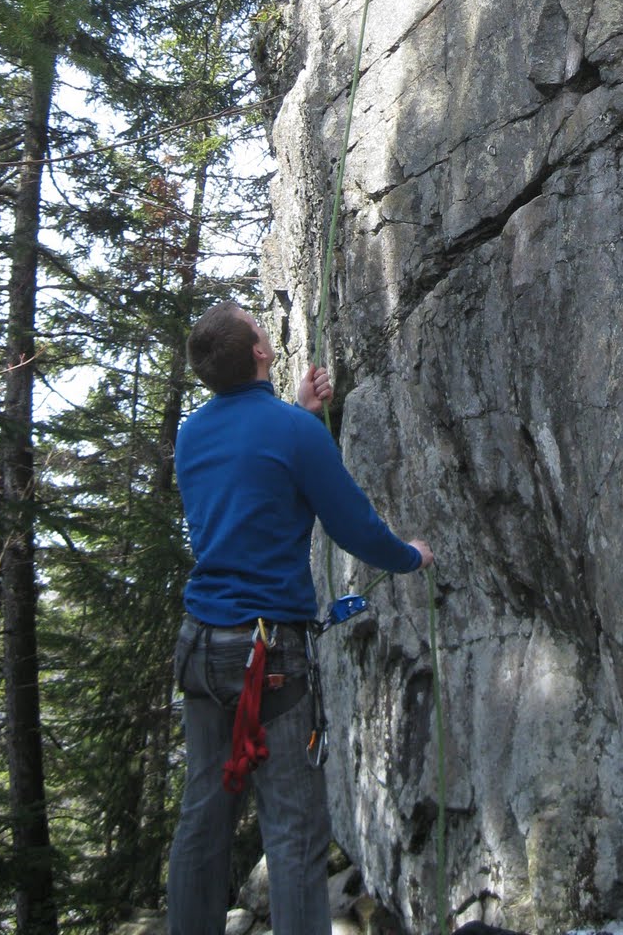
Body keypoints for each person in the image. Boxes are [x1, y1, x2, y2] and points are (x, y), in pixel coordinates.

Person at [166, 301, 434, 935]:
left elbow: (249, 464)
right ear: (261, 352)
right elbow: (354, 528)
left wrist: (299, 412)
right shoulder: (294, 433)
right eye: (259, 326)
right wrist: (410, 556)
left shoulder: (192, 434)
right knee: (292, 825)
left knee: (203, 814)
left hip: (201, 646)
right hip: (269, 657)